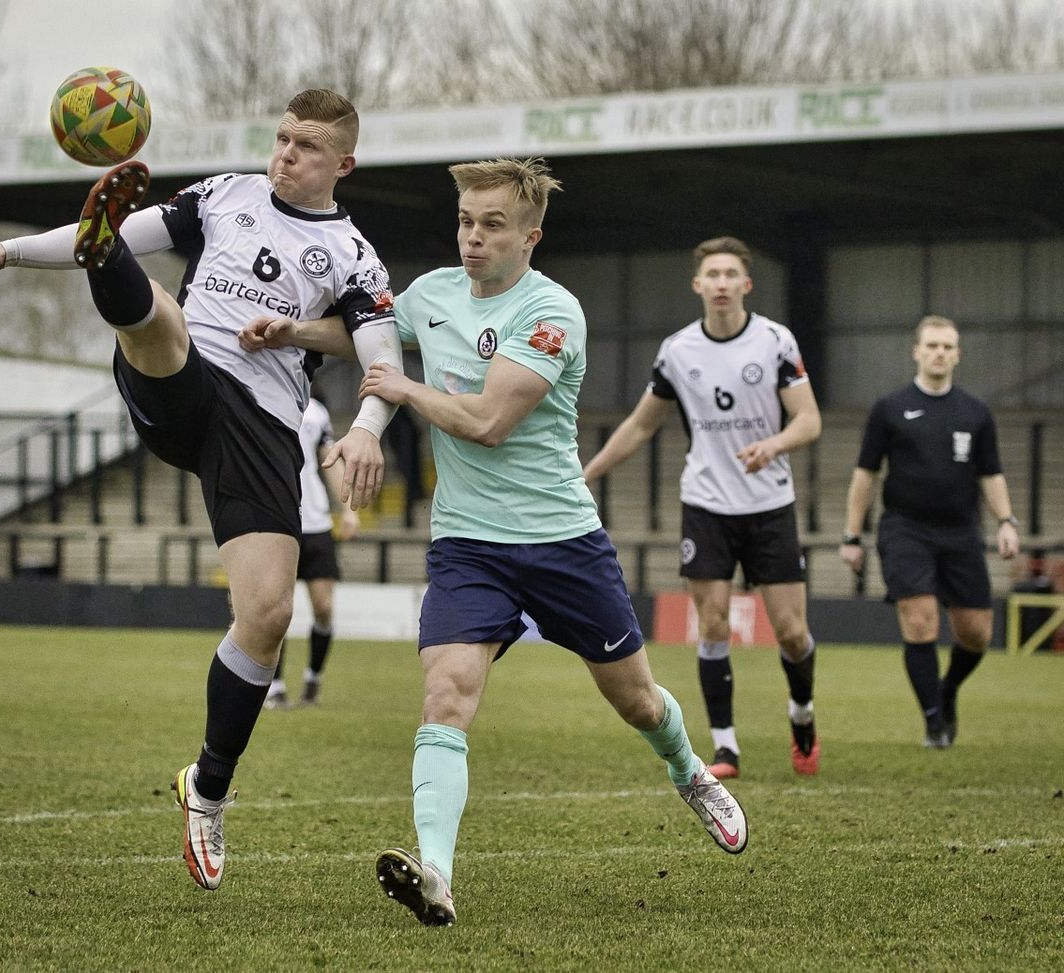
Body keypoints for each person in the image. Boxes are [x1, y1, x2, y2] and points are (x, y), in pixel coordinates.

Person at [241, 158, 748, 927]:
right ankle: (435, 874)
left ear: (530, 237)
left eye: (493, 225)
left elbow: (486, 423)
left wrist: (402, 390)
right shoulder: (433, 292)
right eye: (465, 222)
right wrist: (295, 330)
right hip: (468, 547)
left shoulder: (552, 313)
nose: (473, 239)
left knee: (637, 699)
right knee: (445, 694)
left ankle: (690, 771)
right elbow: (371, 332)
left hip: (561, 542)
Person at [0, 89, 404, 891]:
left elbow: (383, 354)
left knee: (267, 614)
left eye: (307, 147)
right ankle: (102, 260)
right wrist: (5, 252)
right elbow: (140, 227)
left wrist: (366, 427)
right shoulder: (226, 195)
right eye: (282, 138)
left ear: (343, 164)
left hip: (260, 423)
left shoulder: (354, 255)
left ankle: (208, 788)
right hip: (181, 380)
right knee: (158, 318)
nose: (286, 153)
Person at [582, 236, 823, 781]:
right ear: (697, 285)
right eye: (711, 274)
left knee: (791, 632)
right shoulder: (677, 350)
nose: (719, 282)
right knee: (712, 622)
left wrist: (775, 445)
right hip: (707, 504)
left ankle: (802, 714)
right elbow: (643, 423)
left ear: (746, 284)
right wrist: (588, 472)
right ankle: (726, 747)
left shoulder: (775, 341)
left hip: (770, 505)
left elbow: (809, 420)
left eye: (729, 274)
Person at [838, 315, 1019, 747]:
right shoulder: (890, 408)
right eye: (932, 345)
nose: (939, 352)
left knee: (976, 632)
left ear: (958, 354)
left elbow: (991, 474)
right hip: (905, 529)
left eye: (947, 346)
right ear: (916, 351)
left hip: (961, 531)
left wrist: (1007, 521)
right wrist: (851, 534)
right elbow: (865, 474)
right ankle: (934, 721)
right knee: (920, 623)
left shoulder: (975, 412)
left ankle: (949, 689)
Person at [264, 394, 359, 709]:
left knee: (323, 607)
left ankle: (312, 680)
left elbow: (329, 461)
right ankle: (274, 687)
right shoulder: (260, 396)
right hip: (277, 520)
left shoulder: (316, 411)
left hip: (316, 523)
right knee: (276, 611)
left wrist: (348, 509)